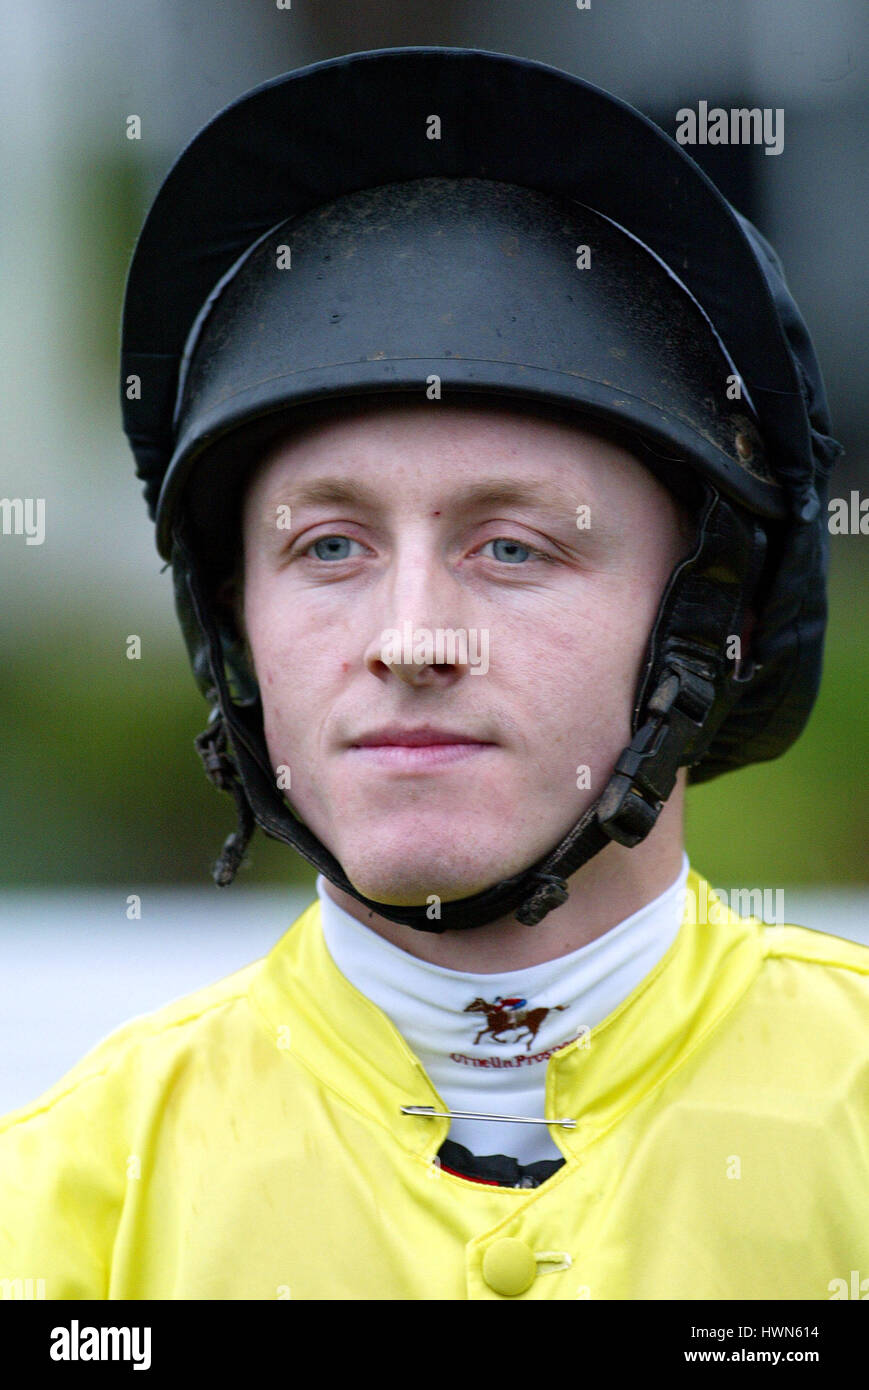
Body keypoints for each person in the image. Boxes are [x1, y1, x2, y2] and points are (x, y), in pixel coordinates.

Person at [1, 46, 866, 1302]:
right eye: (329, 546)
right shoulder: (62, 1206)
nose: (411, 639)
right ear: (232, 625)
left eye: (510, 547)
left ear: (707, 615)